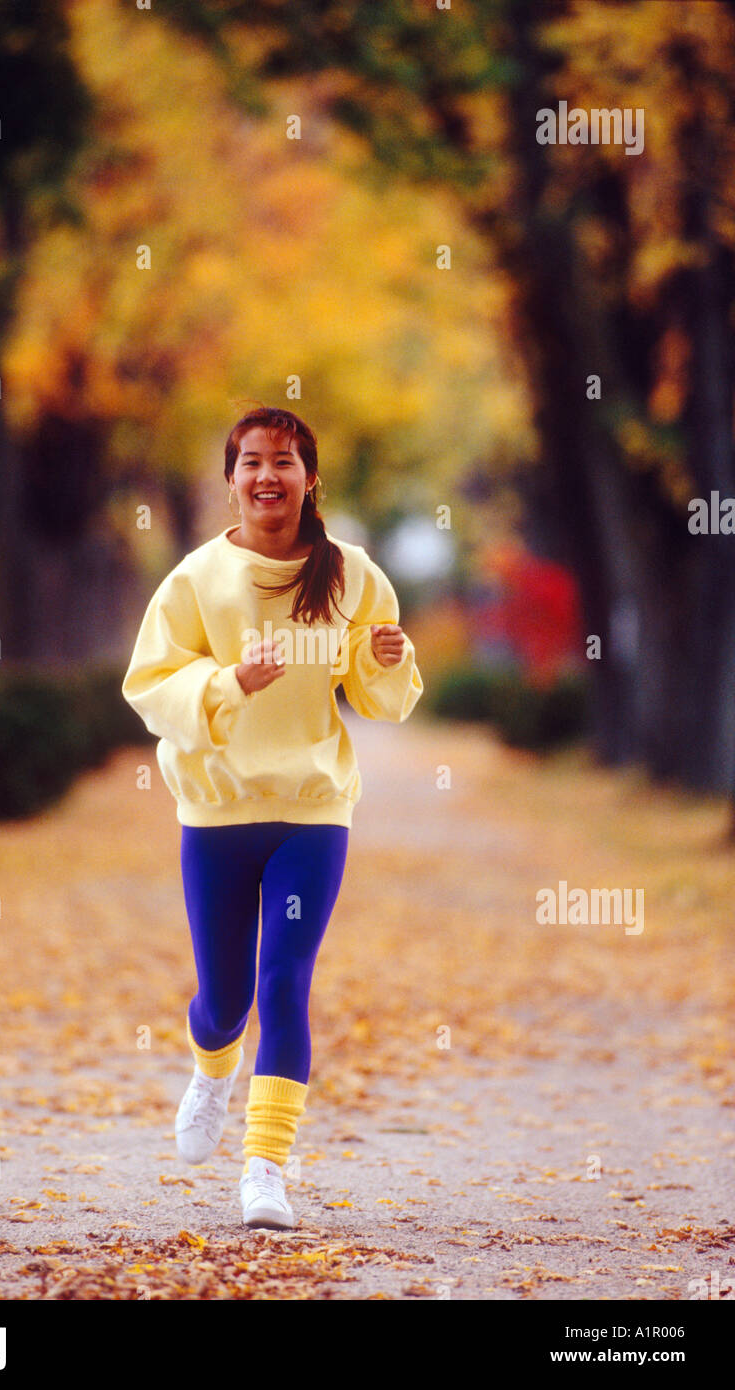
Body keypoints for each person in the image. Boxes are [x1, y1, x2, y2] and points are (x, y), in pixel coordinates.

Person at [121, 405, 423, 1229]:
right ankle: (211, 1070)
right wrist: (228, 686)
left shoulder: (353, 574)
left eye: (284, 461)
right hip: (216, 812)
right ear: (229, 482)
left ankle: (265, 1171)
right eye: (251, 461)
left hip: (312, 811)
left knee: (282, 984)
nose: (267, 475)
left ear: (309, 477)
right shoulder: (194, 581)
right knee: (224, 1001)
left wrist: (386, 661)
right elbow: (147, 686)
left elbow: (377, 693)